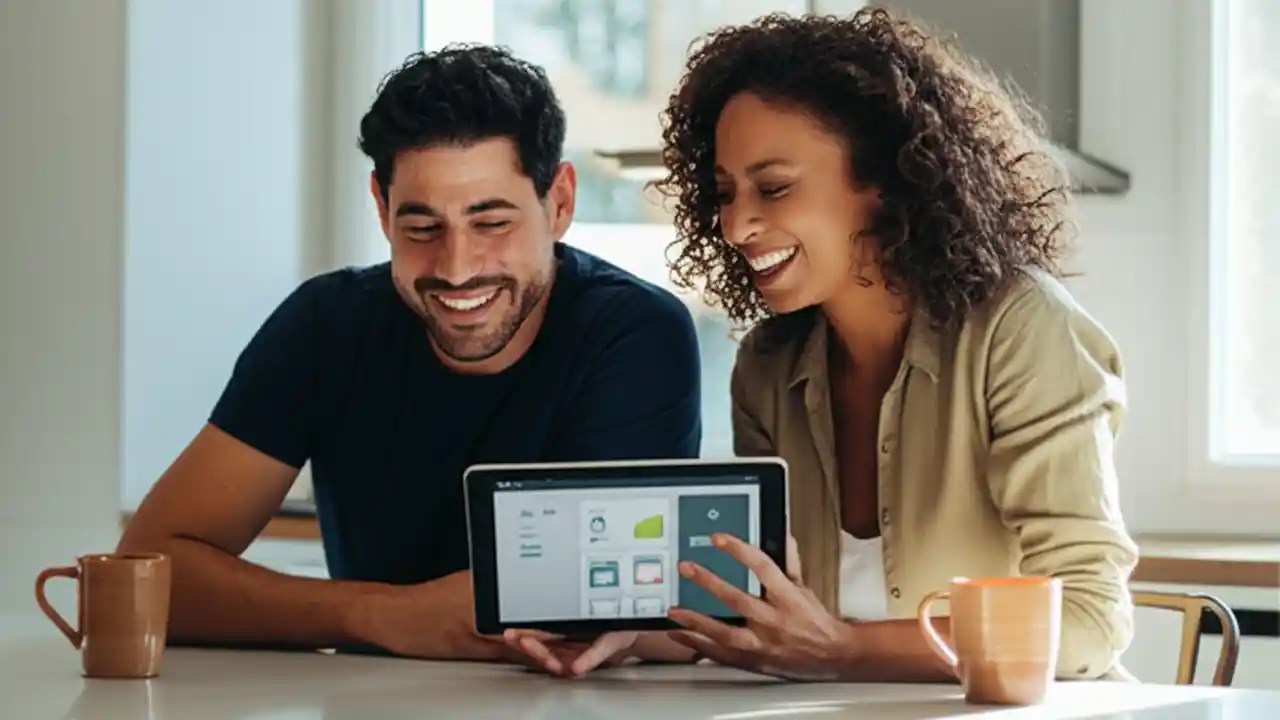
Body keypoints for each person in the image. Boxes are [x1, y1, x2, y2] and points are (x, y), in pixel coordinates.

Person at [511, 8, 1140, 681]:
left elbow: (1088, 619)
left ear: (885, 181)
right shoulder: (767, 367)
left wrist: (845, 650)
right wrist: (635, 633)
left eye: (774, 188)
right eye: (724, 193)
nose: (736, 225)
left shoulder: (1021, 332)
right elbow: (767, 615)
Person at [117, 44, 702, 664]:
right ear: (381, 206)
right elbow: (143, 575)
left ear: (558, 203)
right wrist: (383, 615)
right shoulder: (325, 324)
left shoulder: (632, 335)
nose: (456, 269)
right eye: (422, 228)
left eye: (491, 224)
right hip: (360, 700)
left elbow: (632, 614)